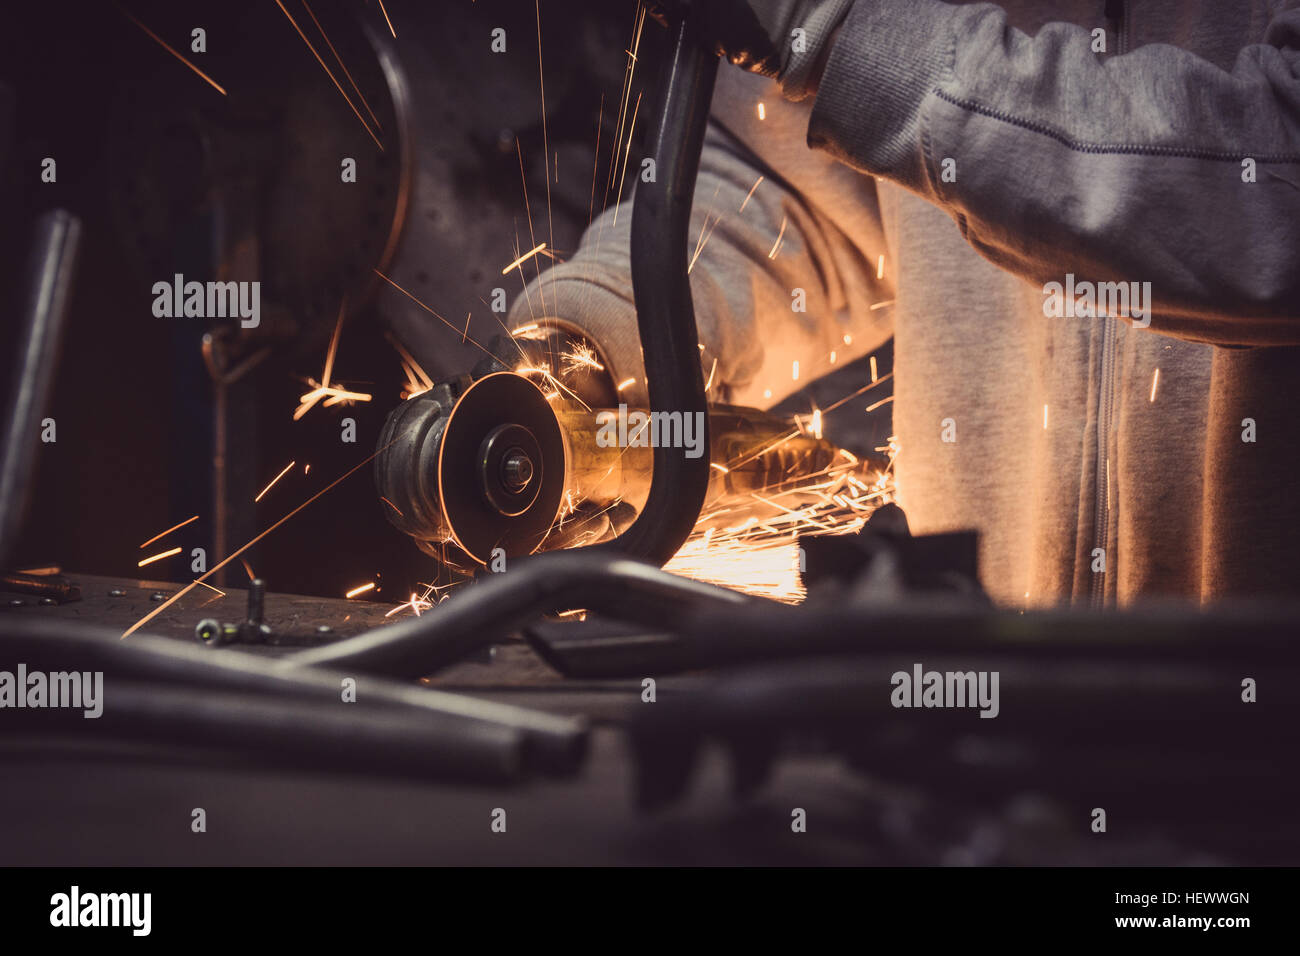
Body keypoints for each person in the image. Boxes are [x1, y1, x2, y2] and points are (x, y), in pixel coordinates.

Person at [506, 0, 1300, 608]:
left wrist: (848, 35)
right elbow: (799, 191)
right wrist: (593, 339)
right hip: (974, 691)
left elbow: (1276, 194)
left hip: (1257, 749)